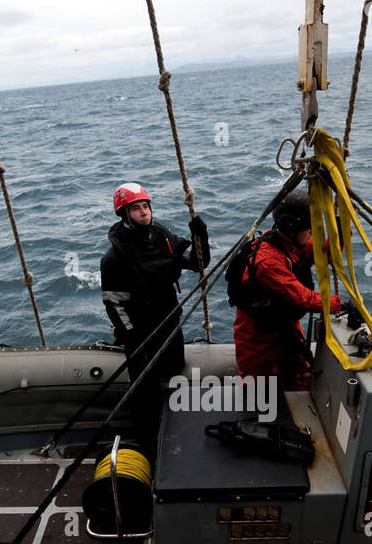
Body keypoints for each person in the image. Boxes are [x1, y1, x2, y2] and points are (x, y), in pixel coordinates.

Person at [100, 182, 208, 446]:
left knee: (174, 366)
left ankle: (175, 425)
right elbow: (115, 303)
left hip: (168, 318)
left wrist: (200, 236)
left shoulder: (163, 237)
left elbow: (197, 261)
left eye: (146, 206)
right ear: (124, 214)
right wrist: (133, 336)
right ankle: (148, 439)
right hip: (140, 328)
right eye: (136, 208)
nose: (144, 212)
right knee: (144, 389)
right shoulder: (114, 257)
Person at [232, 189, 340, 391]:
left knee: (299, 376)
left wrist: (341, 232)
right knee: (259, 388)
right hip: (258, 336)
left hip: (284, 326)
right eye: (307, 228)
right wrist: (336, 303)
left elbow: (322, 252)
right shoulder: (269, 261)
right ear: (294, 227)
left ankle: (297, 416)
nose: (311, 233)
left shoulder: (289, 244)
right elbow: (302, 298)